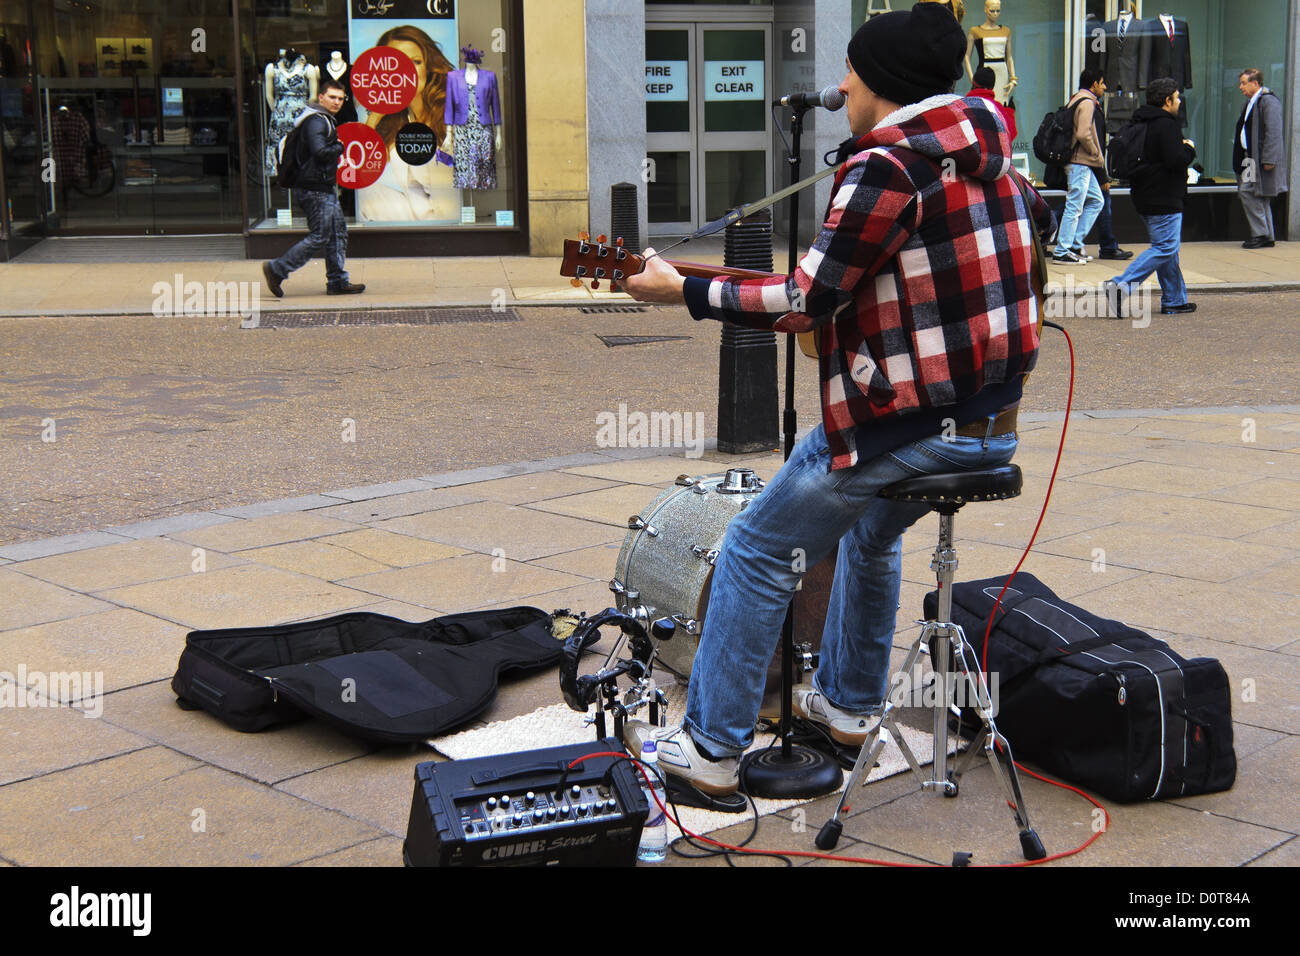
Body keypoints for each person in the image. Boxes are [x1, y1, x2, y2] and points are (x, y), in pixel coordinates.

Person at [617, 2, 1052, 795]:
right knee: (869, 534)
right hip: (995, 424)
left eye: (852, 71)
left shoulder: (888, 167)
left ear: (882, 82)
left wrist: (682, 290)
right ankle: (849, 710)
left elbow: (805, 300)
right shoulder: (997, 159)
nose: (841, 85)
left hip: (909, 427)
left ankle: (709, 753)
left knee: (754, 549)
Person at [262, 78, 364, 297]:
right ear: (321, 98)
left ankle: (337, 281)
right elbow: (320, 152)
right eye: (332, 97)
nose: (337, 102)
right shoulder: (317, 121)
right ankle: (277, 269)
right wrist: (339, 146)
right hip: (314, 188)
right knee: (320, 235)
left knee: (337, 233)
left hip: (321, 186)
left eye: (340, 98)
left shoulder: (322, 119)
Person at [1104, 78, 1196, 317]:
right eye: (1176, 98)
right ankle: (1120, 286)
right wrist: (1189, 148)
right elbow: (1176, 160)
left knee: (1168, 250)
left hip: (1145, 195)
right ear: (1167, 101)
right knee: (1165, 247)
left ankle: (1175, 300)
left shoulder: (1141, 120)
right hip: (1163, 197)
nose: (1178, 102)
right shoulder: (1166, 125)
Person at [357, 25, 460, 222]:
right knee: (366, 191)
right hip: (416, 220)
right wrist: (375, 116)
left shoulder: (450, 112)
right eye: (398, 64)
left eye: (416, 62)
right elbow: (359, 166)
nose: (409, 71)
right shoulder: (398, 119)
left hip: (449, 221)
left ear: (428, 67)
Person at [1052, 69, 1107, 264]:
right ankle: (1062, 251)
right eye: (1102, 83)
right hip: (1080, 163)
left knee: (1096, 200)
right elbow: (1084, 133)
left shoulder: (1075, 99)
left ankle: (1074, 243)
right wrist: (1096, 153)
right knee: (1074, 207)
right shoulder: (1087, 103)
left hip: (1079, 163)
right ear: (1093, 84)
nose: (1104, 87)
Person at [1234, 68, 1287, 249]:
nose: (1240, 87)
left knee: (1247, 192)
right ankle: (1267, 235)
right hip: (1249, 158)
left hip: (1257, 159)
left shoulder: (1268, 102)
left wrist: (1269, 159)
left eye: (1244, 83)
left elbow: (1273, 133)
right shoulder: (1249, 103)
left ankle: (1261, 234)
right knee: (1259, 195)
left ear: (1255, 83)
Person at [968, 66, 1015, 141]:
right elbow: (1010, 134)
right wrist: (1009, 112)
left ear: (973, 83)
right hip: (992, 152)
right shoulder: (997, 108)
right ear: (992, 86)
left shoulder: (963, 104)